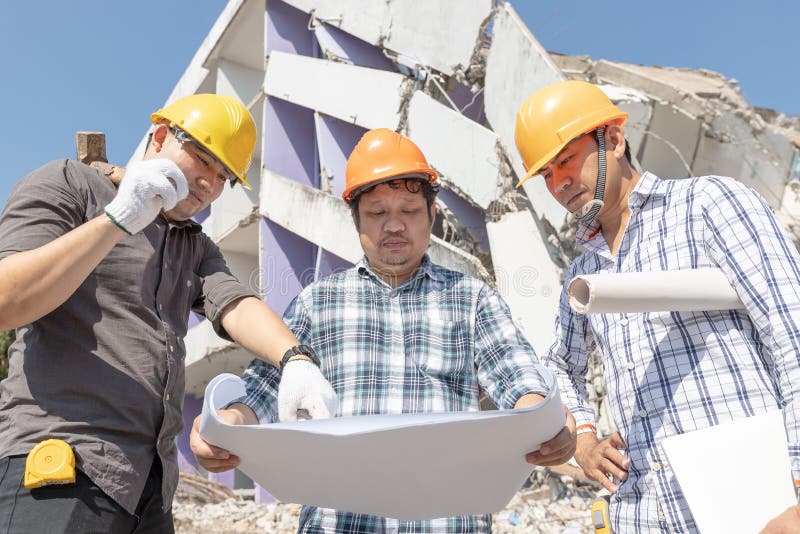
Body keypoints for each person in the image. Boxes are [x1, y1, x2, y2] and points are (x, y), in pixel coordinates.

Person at [190, 128, 577, 533]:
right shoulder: (318, 303)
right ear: (355, 219)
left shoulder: (471, 299)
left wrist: (546, 422)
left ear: (431, 215)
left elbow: (517, 377)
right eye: (377, 213)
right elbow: (267, 391)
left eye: (409, 210)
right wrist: (227, 424)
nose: (394, 226)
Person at [0, 93, 337, 533]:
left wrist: (296, 361)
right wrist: (116, 220)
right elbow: (9, 300)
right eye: (202, 159)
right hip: (62, 466)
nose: (209, 185)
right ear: (160, 137)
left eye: (224, 177)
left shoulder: (193, 244)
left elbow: (234, 302)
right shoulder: (70, 184)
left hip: (148, 492)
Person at [513, 80, 800, 532]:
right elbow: (559, 365)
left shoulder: (710, 205)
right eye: (545, 175)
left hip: (751, 503)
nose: (558, 183)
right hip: (646, 513)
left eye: (565, 160)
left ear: (613, 139)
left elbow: (792, 333)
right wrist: (585, 440)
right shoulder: (582, 274)